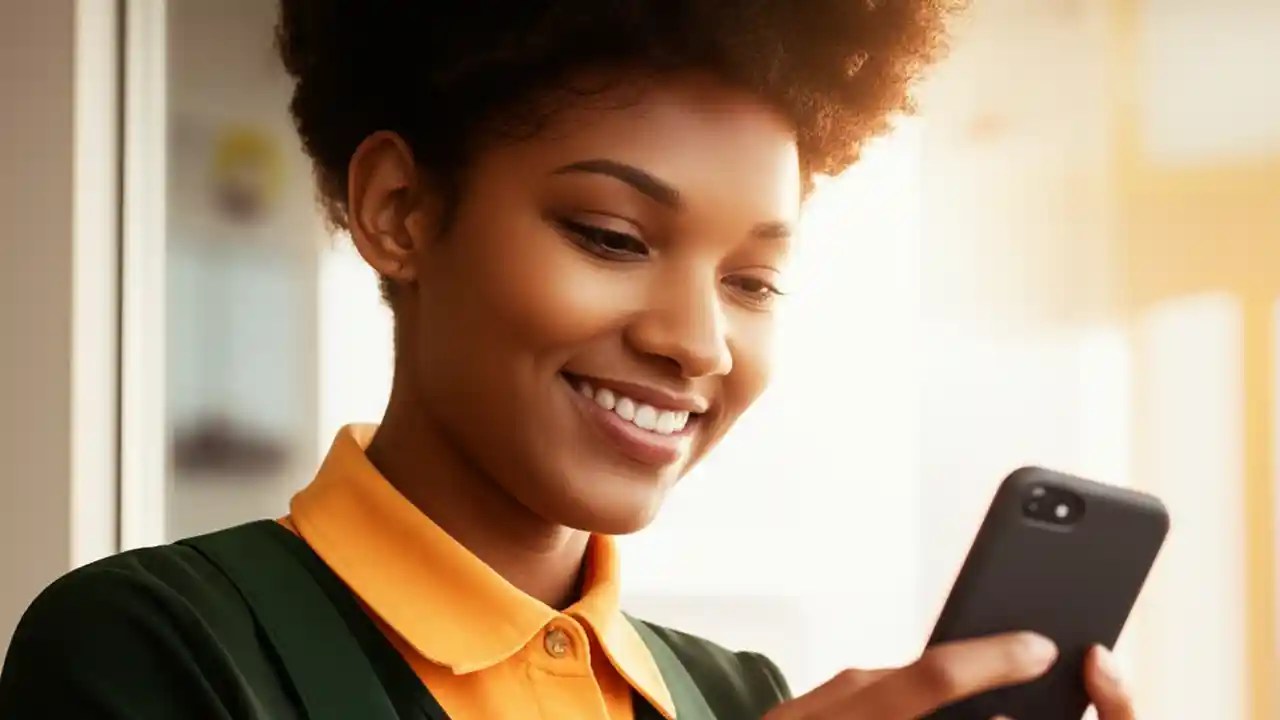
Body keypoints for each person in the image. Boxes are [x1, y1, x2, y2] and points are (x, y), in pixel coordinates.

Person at [0, 2, 1139, 718]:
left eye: (750, 281)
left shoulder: (733, 699)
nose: (694, 340)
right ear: (399, 208)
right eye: (611, 237)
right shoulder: (154, 650)